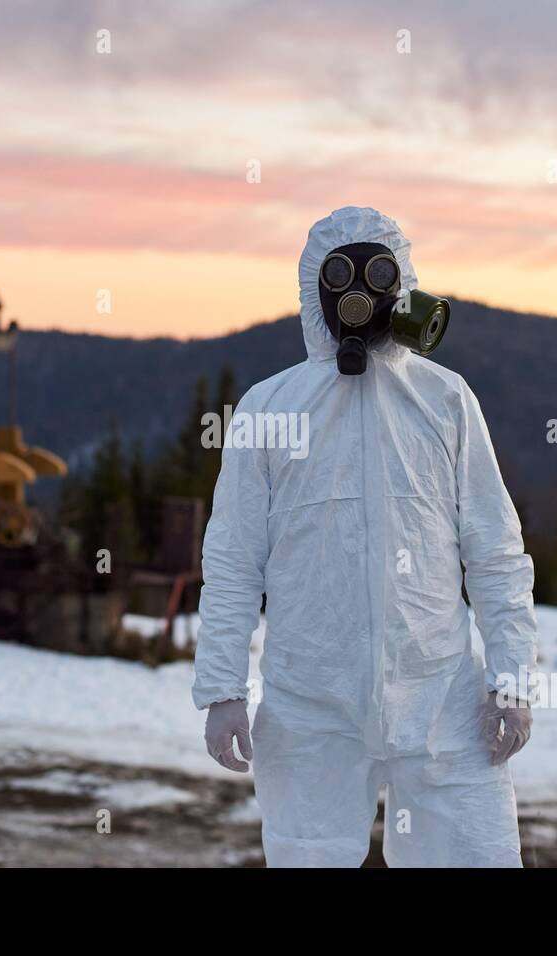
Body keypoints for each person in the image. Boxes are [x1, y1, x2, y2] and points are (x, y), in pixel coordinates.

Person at [192, 206, 537, 868]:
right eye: (342, 275)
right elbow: (234, 561)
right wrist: (223, 689)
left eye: (380, 274)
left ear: (403, 283)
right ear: (313, 290)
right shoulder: (270, 411)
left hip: (443, 702)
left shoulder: (446, 400)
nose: (363, 294)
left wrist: (511, 677)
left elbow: (494, 552)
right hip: (309, 705)